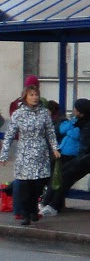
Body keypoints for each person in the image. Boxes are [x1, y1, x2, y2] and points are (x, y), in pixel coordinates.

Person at [1, 80, 62, 225]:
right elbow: (10, 134)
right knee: (24, 185)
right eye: (31, 95)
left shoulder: (43, 113)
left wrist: (55, 148)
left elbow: (50, 132)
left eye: (36, 95)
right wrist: (3, 155)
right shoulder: (19, 114)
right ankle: (26, 213)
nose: (35, 97)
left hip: (40, 152)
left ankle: (34, 208)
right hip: (25, 152)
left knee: (38, 184)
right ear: (25, 97)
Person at [50, 98, 90, 213]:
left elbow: (76, 136)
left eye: (75, 109)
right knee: (58, 173)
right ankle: (48, 203)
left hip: (83, 156)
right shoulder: (77, 121)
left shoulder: (88, 123)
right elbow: (61, 129)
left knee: (65, 175)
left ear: (80, 111)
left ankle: (53, 205)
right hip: (77, 154)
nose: (73, 111)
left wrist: (70, 130)